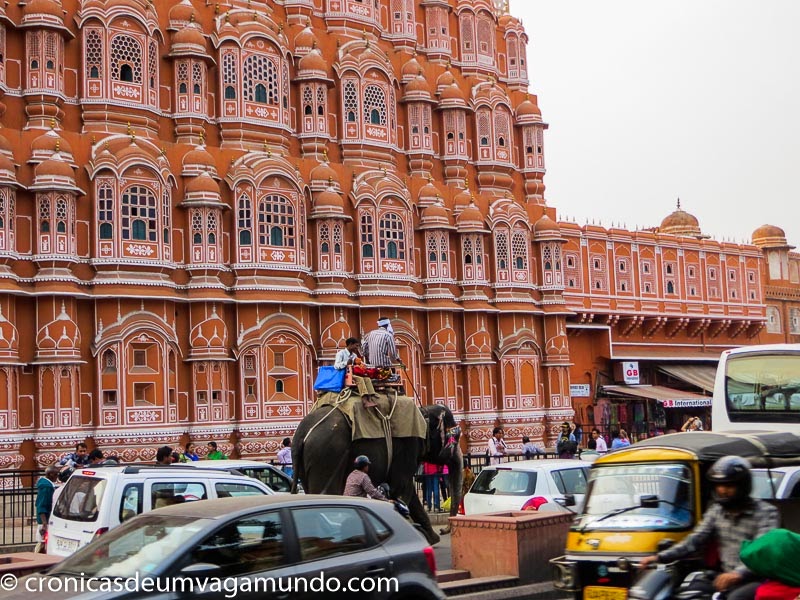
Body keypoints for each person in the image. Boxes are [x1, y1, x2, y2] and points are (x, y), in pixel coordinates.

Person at [639, 456, 779, 600]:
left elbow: (762, 554)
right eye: (719, 485)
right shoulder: (716, 511)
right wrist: (659, 557)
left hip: (755, 579)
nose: (723, 491)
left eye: (729, 486)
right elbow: (695, 540)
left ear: (743, 486)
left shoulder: (766, 513)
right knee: (687, 593)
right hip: (724, 576)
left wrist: (737, 574)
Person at [34, 466, 59, 553]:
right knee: (42, 543)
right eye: (56, 474)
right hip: (45, 520)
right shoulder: (47, 487)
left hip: (44, 519)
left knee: (43, 543)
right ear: (50, 474)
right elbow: (42, 505)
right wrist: (44, 522)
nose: (57, 476)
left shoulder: (47, 485)